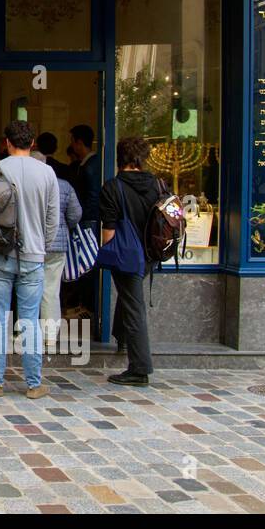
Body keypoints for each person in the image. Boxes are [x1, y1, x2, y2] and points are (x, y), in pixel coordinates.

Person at [0, 121, 59, 399]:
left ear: (7, 143)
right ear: (32, 142)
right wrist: (41, 247)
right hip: (33, 256)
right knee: (30, 320)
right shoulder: (47, 173)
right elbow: (52, 218)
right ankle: (34, 384)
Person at [100, 137, 165, 386]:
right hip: (152, 253)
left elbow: (109, 231)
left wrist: (107, 251)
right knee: (130, 297)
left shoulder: (113, 187)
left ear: (120, 157)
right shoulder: (158, 184)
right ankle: (122, 336)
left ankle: (140, 369)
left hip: (127, 255)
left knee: (134, 306)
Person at [66, 123, 103, 327]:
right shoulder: (89, 164)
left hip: (88, 223)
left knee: (86, 264)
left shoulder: (90, 167)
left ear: (79, 143)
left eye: (72, 141)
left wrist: (82, 220)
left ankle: (87, 306)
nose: (71, 145)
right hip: (87, 221)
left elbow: (91, 198)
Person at [42, 169, 82, 355]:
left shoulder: (28, 182)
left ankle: (26, 331)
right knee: (51, 290)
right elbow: (75, 215)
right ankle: (49, 336)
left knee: (27, 288)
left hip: (31, 245)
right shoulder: (65, 185)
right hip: (58, 245)